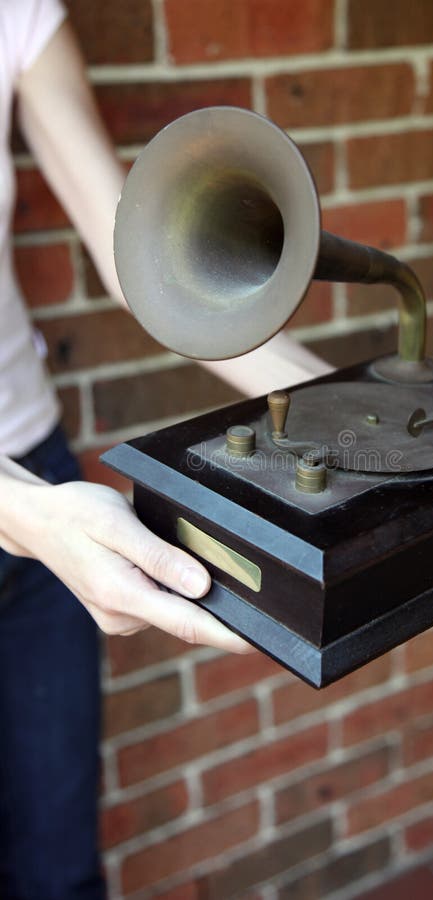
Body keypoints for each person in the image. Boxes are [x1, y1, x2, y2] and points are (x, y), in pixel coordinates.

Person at [0, 1, 332, 896]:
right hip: (33, 511)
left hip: (38, 482)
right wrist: (17, 510)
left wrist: (331, 397)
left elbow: (149, 259)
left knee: (57, 870)